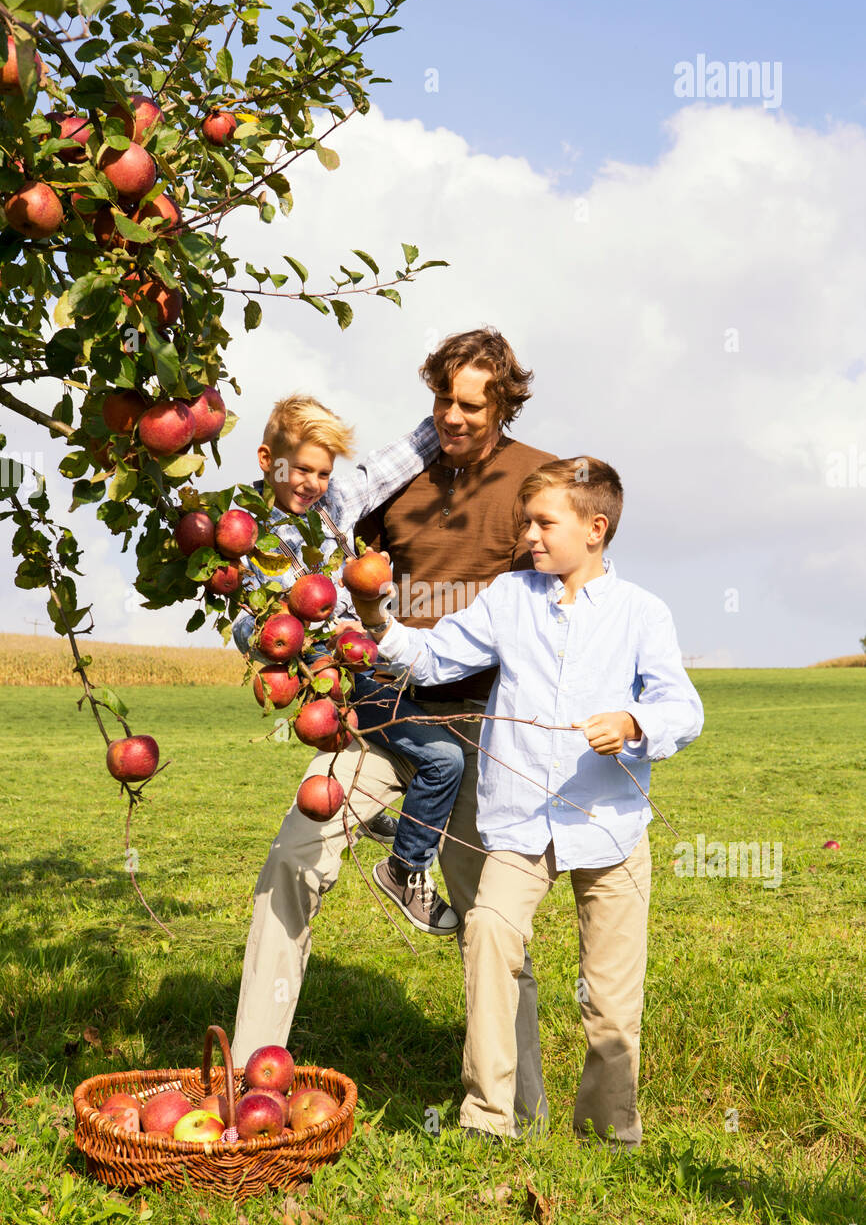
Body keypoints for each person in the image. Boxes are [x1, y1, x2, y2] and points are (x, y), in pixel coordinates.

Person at [230, 330, 555, 1105]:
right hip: (384, 713)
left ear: (503, 403)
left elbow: (566, 596)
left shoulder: (537, 482)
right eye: (441, 399)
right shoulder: (394, 488)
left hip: (485, 729)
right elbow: (322, 576)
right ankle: (251, 1079)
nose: (452, 416)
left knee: (489, 916)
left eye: (471, 404)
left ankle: (513, 1105)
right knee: (294, 859)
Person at [349, 456, 704, 1146]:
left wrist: (635, 725)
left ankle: (609, 1132)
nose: (530, 536)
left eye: (546, 523)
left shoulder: (641, 614)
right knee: (487, 934)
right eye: (527, 522)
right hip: (517, 821)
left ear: (595, 528)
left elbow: (679, 706)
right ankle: (492, 1117)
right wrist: (374, 615)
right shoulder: (510, 598)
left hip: (612, 826)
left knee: (609, 1001)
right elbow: (434, 659)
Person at [231, 393, 463, 937]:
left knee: (415, 749)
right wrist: (295, 636)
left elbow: (405, 454)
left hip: (368, 666)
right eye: (300, 469)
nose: (311, 483)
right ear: (268, 461)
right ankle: (407, 870)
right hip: (331, 677)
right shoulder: (243, 536)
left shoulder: (336, 501)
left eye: (322, 471)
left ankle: (372, 813)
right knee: (445, 760)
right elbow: (242, 624)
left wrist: (454, 411)